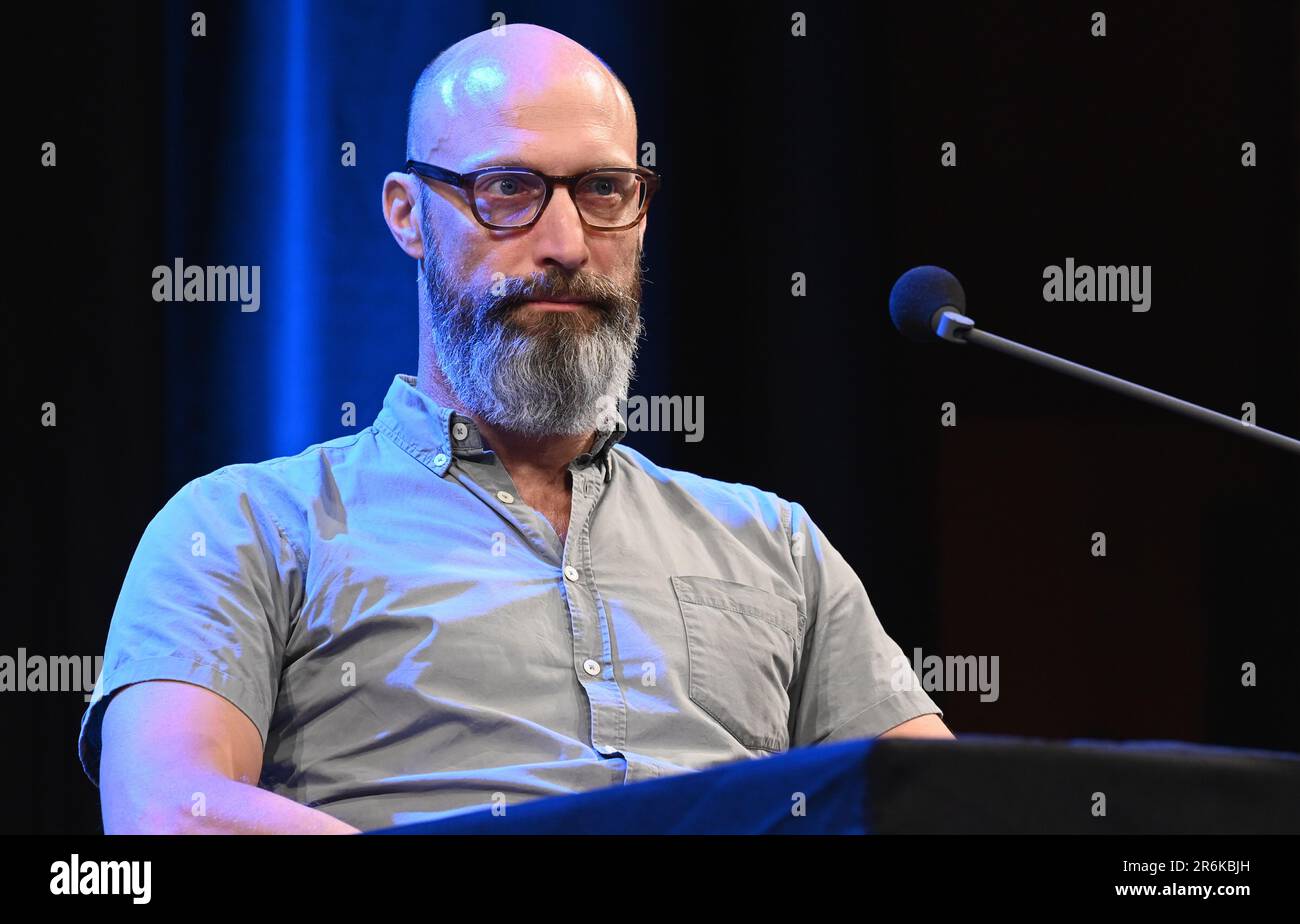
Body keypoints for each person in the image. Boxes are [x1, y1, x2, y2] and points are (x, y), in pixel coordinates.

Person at [82, 23, 950, 835]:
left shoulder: (775, 545)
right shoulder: (247, 526)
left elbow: (945, 809)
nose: (567, 242)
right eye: (509, 189)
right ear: (407, 214)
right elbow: (167, 811)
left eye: (604, 190)